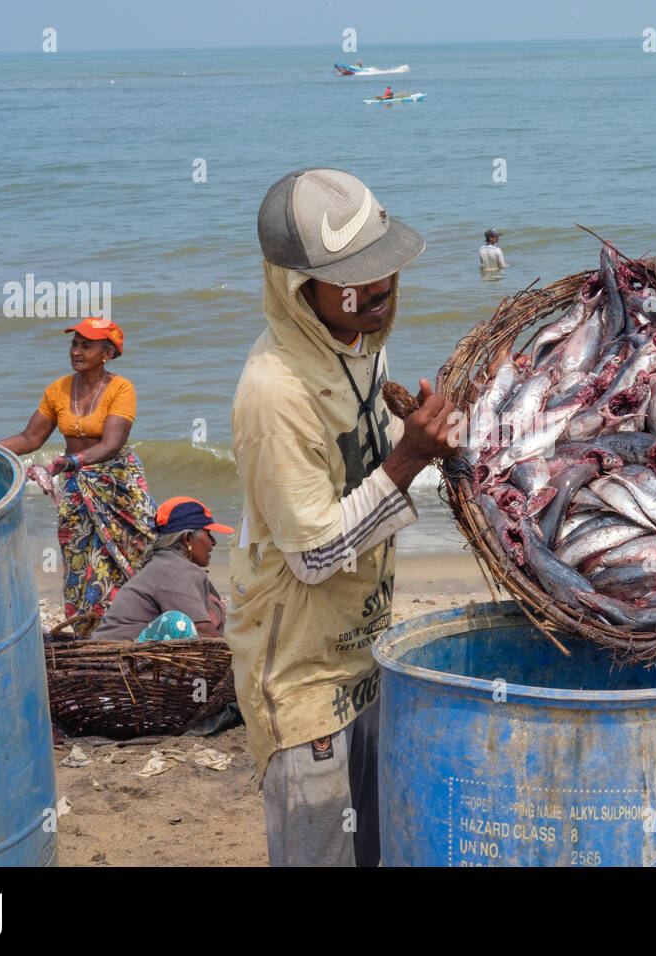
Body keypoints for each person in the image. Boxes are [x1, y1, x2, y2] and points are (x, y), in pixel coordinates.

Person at [228, 168, 458, 867]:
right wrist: (409, 458)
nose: (379, 289)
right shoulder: (275, 392)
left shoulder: (358, 345)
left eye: (383, 267)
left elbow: (366, 464)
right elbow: (315, 554)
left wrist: (418, 436)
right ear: (299, 289)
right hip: (299, 679)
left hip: (365, 653)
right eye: (354, 276)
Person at [0, 317, 155, 626]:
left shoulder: (121, 389)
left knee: (130, 552)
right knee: (78, 557)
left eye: (86, 346)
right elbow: (31, 438)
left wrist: (71, 462)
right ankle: (85, 630)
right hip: (75, 488)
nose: (76, 352)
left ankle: (128, 623)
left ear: (107, 353)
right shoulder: (57, 390)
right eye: (74, 344)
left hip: (117, 485)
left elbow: (112, 443)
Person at [91, 497, 231, 642]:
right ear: (188, 539)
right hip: (122, 653)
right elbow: (202, 631)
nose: (213, 542)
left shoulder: (165, 564)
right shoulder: (176, 571)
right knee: (178, 622)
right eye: (208, 534)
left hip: (119, 649)